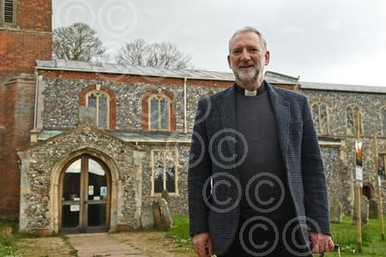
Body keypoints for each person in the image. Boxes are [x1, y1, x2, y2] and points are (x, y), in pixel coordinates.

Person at [188, 26, 334, 257]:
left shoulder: (296, 105)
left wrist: (320, 226)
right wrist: (199, 228)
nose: (244, 56)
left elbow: (313, 170)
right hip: (233, 235)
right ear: (229, 60)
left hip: (291, 232)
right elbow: (198, 173)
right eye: (237, 52)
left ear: (266, 57)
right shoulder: (210, 108)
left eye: (252, 49)